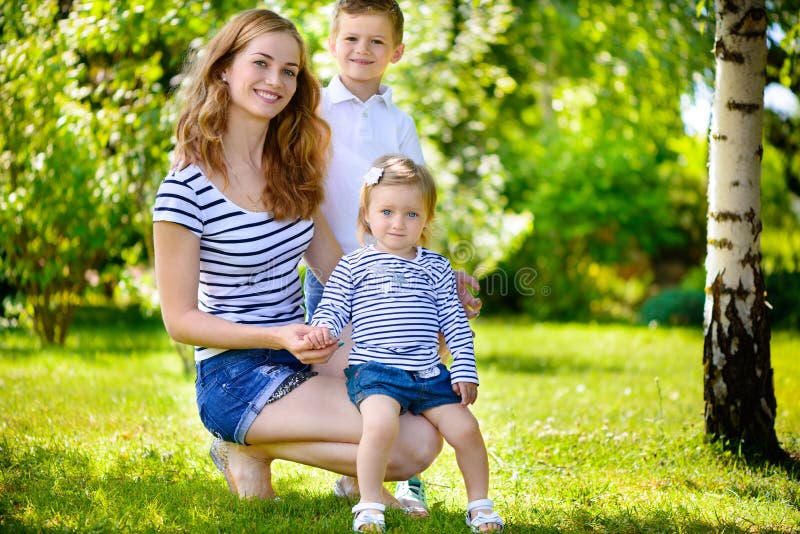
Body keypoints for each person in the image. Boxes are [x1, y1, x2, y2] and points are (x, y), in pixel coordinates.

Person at [152, 9, 442, 503]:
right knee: (410, 445)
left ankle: (253, 448)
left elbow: (340, 269)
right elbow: (180, 321)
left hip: (301, 357)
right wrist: (277, 334)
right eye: (261, 64)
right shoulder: (185, 188)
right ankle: (244, 441)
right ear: (225, 67)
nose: (276, 80)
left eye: (288, 71)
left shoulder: (291, 172)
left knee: (419, 419)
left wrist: (431, 292)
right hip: (233, 374)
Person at [306, 0, 482, 514]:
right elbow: (307, 195)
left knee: (415, 358)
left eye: (377, 41)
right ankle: (363, 479)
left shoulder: (399, 121)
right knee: (349, 379)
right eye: (352, 39)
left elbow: (416, 201)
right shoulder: (313, 111)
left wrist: (442, 268)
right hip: (334, 269)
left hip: (400, 270)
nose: (363, 50)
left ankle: (407, 476)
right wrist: (334, 266)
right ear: (332, 45)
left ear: (397, 52)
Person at [305, 155, 504, 533]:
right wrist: (322, 330)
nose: (398, 223)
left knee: (466, 429)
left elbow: (454, 322)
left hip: (428, 373)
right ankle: (369, 503)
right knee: (379, 426)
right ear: (367, 214)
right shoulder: (354, 266)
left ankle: (480, 505)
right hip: (375, 372)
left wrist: (464, 369)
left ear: (426, 218)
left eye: (411, 214)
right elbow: (331, 309)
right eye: (387, 211)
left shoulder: (436, 268)